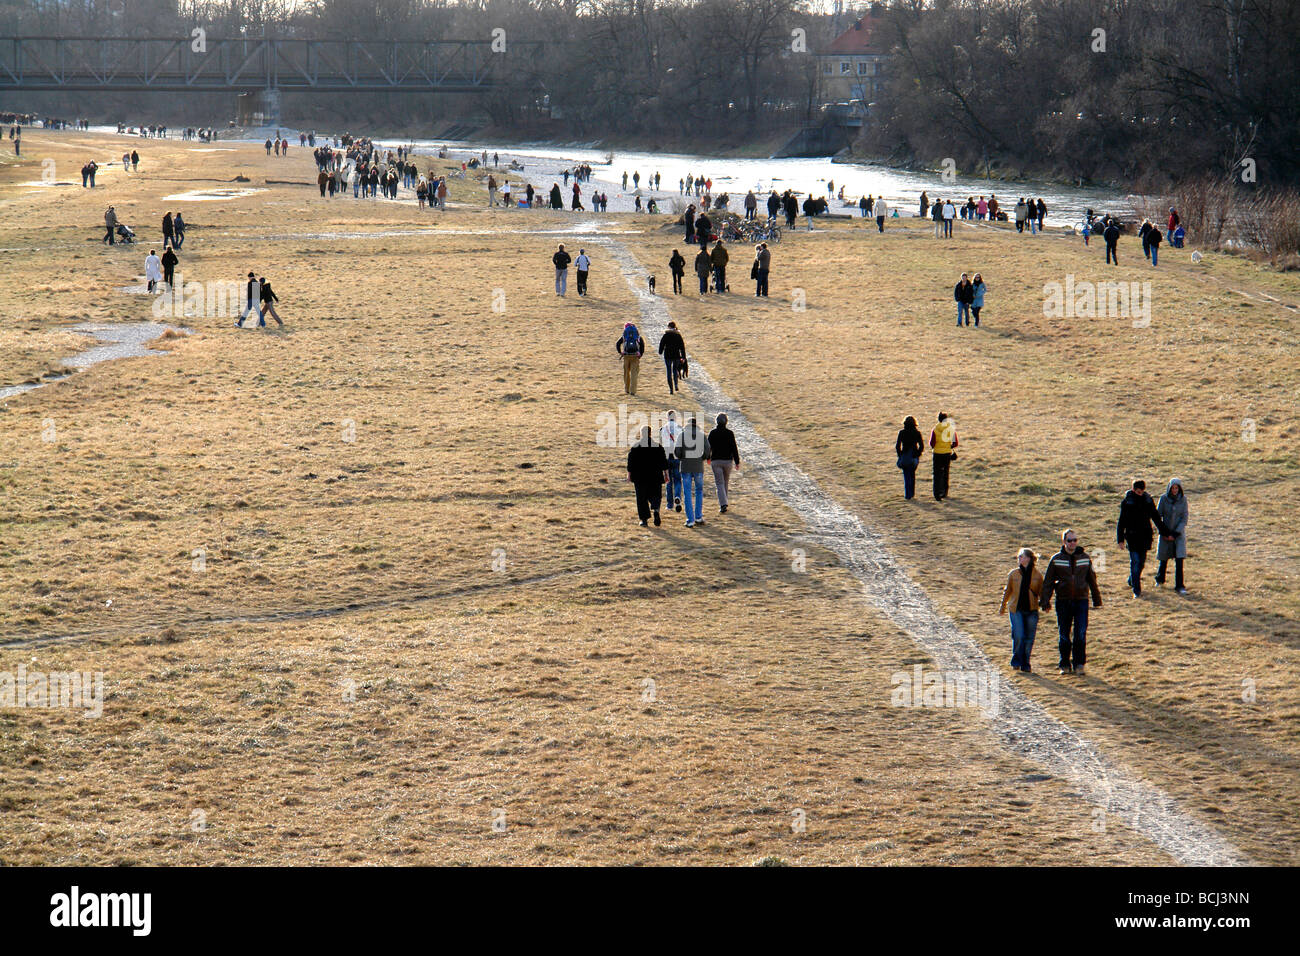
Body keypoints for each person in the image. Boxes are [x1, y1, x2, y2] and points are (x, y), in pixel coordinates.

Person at [1040, 529, 1102, 676]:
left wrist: (1097, 599)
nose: (1073, 543)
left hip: (1081, 601)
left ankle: (1079, 664)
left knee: (1080, 633)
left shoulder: (1085, 558)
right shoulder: (1056, 559)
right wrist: (1045, 601)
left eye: (1075, 540)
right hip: (1063, 601)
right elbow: (1048, 582)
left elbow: (1092, 580)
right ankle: (1064, 664)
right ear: (1064, 542)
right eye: (1069, 540)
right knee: (1064, 634)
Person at [1116, 478, 1169, 598]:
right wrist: (1120, 539)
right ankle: (1137, 590)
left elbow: (1156, 518)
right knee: (1135, 562)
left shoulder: (1148, 500)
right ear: (1133, 490)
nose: (1140, 493)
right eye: (1138, 491)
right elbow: (1122, 521)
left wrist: (1164, 532)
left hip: (1145, 536)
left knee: (1141, 563)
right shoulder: (1127, 502)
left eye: (1142, 491)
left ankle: (1132, 579)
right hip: (1132, 537)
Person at [999, 548, 1043, 672]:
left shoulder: (1037, 575)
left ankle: (1026, 663)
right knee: (1018, 634)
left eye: (1021, 556)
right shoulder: (1013, 574)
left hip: (1032, 610)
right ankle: (1016, 660)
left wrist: (1045, 603)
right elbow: (1007, 591)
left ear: (1029, 558)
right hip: (1015, 609)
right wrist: (1002, 605)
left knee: (1029, 638)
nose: (1019, 559)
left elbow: (1041, 592)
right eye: (1018, 557)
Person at [626, 426, 669, 527]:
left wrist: (629, 476)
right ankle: (656, 510)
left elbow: (630, 463)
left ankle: (643, 520)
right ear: (650, 433)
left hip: (640, 477)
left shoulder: (636, 446)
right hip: (655, 476)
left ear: (641, 434)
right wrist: (666, 475)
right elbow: (664, 462)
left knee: (641, 498)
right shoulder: (658, 446)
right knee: (656, 495)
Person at [676, 416, 711, 528]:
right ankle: (698, 516)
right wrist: (701, 459)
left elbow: (677, 451)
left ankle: (690, 520)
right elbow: (707, 451)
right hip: (698, 467)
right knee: (699, 491)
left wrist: (682, 458)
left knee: (687, 493)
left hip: (685, 466)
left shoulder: (682, 435)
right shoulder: (702, 435)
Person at [1155, 478, 1188, 593]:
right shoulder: (1163, 499)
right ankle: (1160, 579)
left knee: (1179, 559)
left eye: (1177, 488)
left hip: (1178, 534)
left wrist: (1175, 533)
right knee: (1163, 558)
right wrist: (1164, 532)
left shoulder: (1183, 500)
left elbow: (1184, 518)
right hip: (1165, 533)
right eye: (1173, 488)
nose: (1175, 490)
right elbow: (1157, 516)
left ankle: (1179, 585)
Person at [707, 413, 741, 514]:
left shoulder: (712, 433)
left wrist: (708, 458)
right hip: (728, 462)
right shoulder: (730, 433)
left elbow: (708, 448)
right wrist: (737, 461)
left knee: (719, 483)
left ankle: (723, 504)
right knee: (725, 482)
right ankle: (724, 503)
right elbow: (734, 448)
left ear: (716, 421)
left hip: (716, 461)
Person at [929, 412, 957, 501]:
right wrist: (949, 446)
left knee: (937, 473)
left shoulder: (935, 429)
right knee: (945, 472)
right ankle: (944, 492)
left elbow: (932, 443)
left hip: (937, 454)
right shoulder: (951, 429)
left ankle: (936, 493)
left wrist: (936, 447)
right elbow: (955, 443)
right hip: (946, 454)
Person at [895, 416, 924, 500]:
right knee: (912, 475)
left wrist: (900, 455)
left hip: (905, 455)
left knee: (906, 476)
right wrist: (918, 454)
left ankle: (908, 495)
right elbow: (921, 446)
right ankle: (912, 494)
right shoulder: (917, 433)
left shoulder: (902, 432)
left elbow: (897, 446)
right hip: (913, 456)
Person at [660, 410, 684, 512]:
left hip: (666, 457)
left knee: (668, 480)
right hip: (677, 457)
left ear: (667, 417)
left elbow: (661, 443)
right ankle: (677, 496)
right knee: (678, 479)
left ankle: (669, 505)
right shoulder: (680, 428)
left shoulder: (662, 429)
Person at [616, 322, 644, 395]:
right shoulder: (637, 336)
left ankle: (627, 389)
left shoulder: (624, 336)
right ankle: (633, 391)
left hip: (626, 356)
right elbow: (642, 345)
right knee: (634, 374)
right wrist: (640, 354)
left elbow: (618, 344)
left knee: (626, 373)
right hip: (635, 356)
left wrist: (620, 352)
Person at [658, 321, 686, 394]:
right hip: (676, 355)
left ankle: (671, 389)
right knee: (675, 370)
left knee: (669, 371)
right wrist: (683, 357)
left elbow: (661, 344)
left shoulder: (666, 335)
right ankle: (676, 384)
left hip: (668, 355)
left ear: (669, 327)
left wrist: (660, 352)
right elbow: (682, 347)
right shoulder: (678, 336)